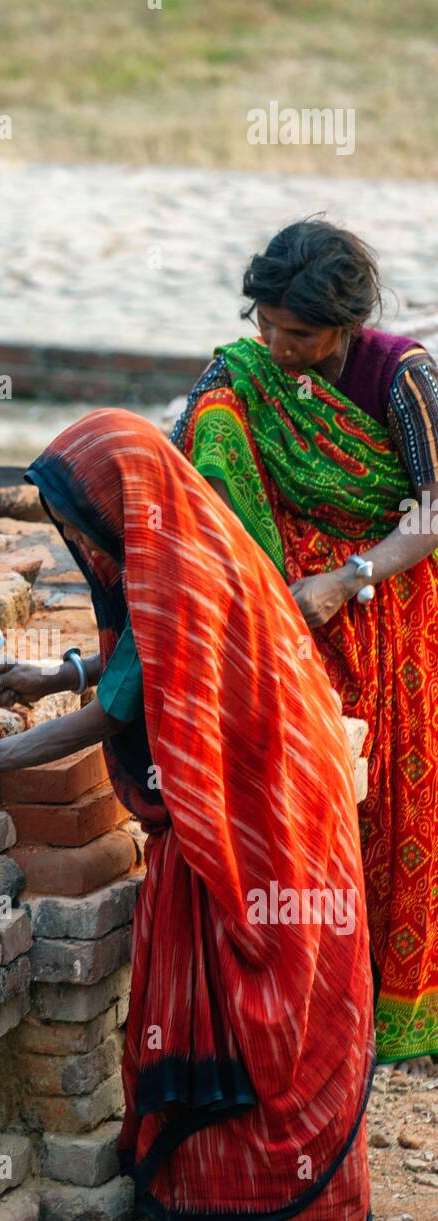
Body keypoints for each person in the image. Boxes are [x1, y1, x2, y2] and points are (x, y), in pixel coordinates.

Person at [0, 408, 374, 1221]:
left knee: (267, 1014)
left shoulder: (183, 569)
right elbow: (147, 670)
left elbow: (123, 707)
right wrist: (56, 673)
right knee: (239, 1008)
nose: (74, 539)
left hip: (264, 827)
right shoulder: (183, 541)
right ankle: (253, 1220)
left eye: (76, 521)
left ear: (123, 509)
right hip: (261, 813)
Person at [170, 219, 438, 1072]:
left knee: (391, 803)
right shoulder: (242, 373)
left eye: (298, 334)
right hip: (282, 619)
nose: (277, 347)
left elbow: (433, 514)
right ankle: (308, 995)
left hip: (389, 621)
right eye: (267, 326)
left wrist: (345, 576)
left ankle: (390, 1012)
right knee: (303, 804)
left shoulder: (401, 377)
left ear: (345, 326)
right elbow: (190, 470)